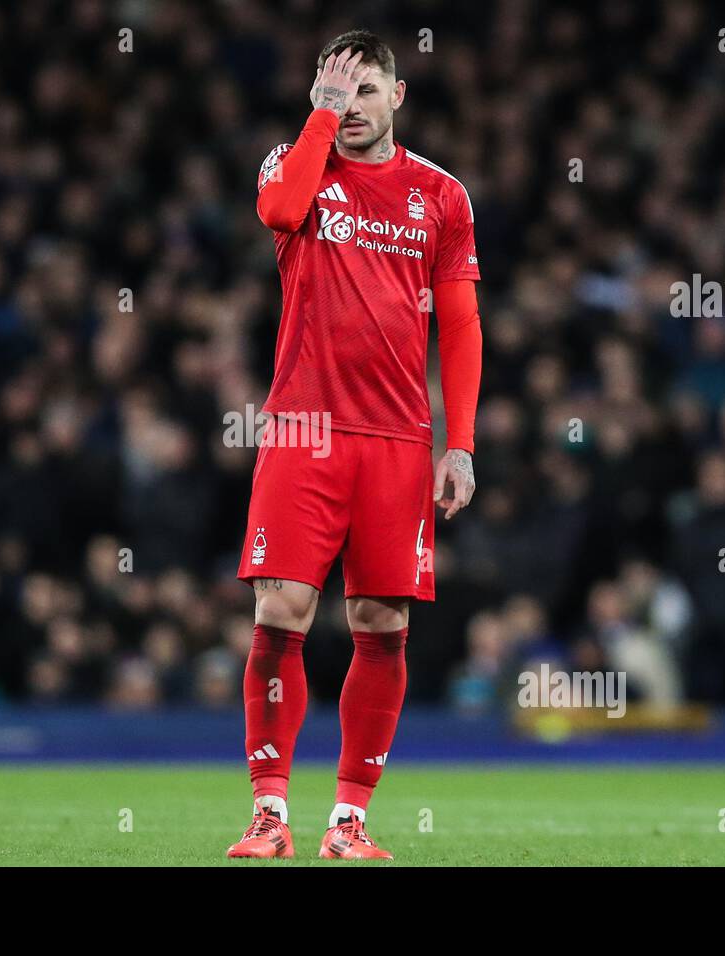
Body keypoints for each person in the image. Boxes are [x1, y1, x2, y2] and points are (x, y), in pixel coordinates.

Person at [228, 30, 483, 859]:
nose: (350, 106)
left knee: (381, 621)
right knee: (281, 610)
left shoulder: (440, 196)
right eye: (335, 89)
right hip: (303, 427)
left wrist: (462, 443)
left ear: (398, 97)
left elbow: (463, 325)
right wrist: (317, 117)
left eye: (366, 89)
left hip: (399, 438)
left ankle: (349, 823)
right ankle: (269, 813)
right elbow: (276, 211)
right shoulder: (292, 162)